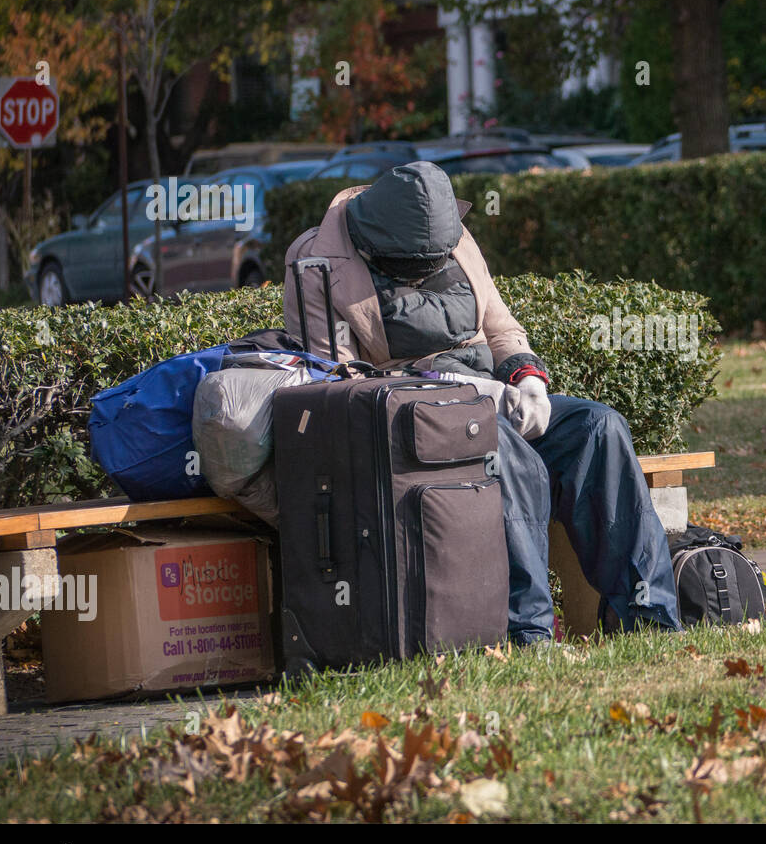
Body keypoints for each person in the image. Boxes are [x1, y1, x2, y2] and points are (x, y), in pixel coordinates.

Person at [283, 160, 681, 644]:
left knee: (600, 428)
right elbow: (341, 384)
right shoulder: (317, 262)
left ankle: (652, 617)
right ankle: (528, 634)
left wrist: (527, 378)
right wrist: (449, 390)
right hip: (409, 426)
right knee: (507, 453)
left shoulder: (458, 239)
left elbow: (502, 329)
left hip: (487, 395)